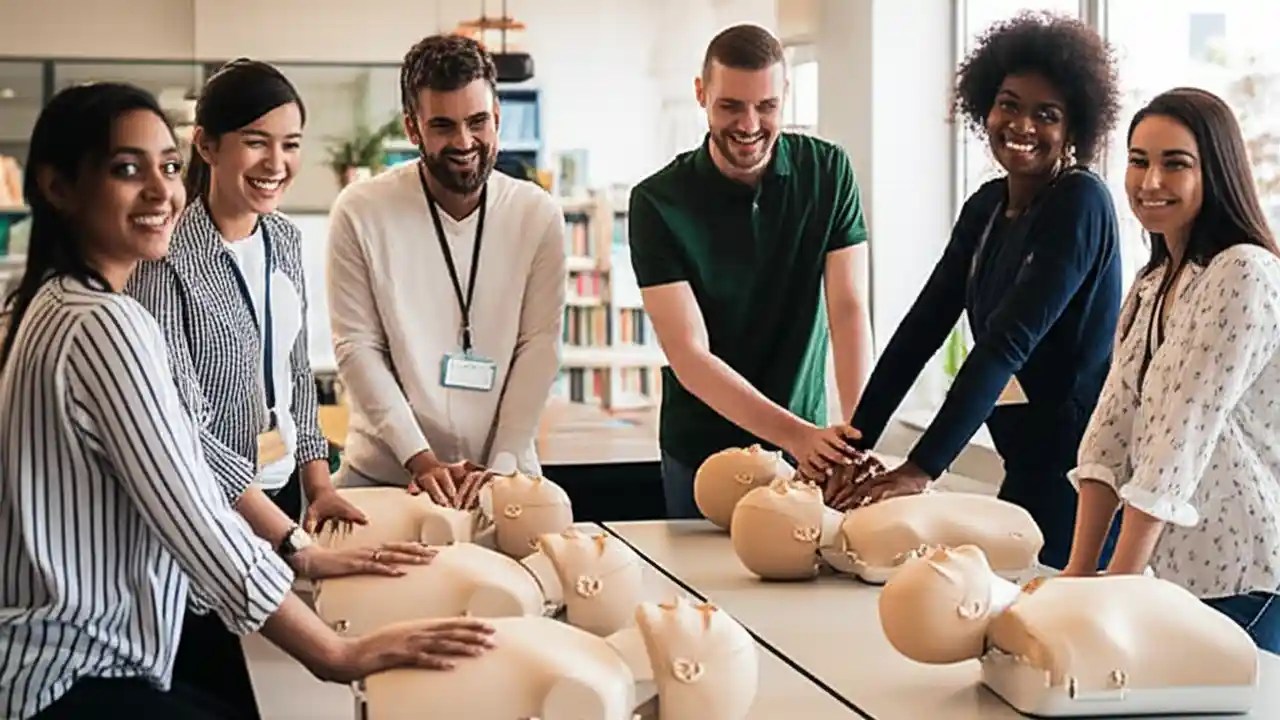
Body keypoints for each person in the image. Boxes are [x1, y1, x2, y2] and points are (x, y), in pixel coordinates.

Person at [0, 81, 495, 720]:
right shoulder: (106, 321)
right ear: (57, 187)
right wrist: (334, 649)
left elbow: (286, 381)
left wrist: (308, 518)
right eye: (127, 169)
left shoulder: (58, 302)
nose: (160, 190)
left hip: (91, 650)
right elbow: (195, 512)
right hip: (71, 668)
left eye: (167, 167)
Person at [126, 59, 427, 719]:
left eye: (290, 144)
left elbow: (294, 377)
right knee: (226, 687)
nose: (276, 162)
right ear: (207, 144)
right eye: (256, 141)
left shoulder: (287, 241)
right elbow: (185, 435)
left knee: (289, 693)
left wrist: (318, 484)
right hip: (208, 515)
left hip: (285, 496)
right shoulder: (164, 257)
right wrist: (288, 539)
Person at [830, 11, 1124, 571]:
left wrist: (920, 469)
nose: (1022, 125)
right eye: (1009, 103)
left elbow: (1005, 343)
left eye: (1047, 114)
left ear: (1074, 130)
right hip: (1024, 460)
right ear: (984, 105)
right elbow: (922, 328)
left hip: (1080, 475)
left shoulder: (1080, 202)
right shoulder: (987, 207)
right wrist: (855, 444)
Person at [1062, 87, 1280, 652]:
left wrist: (1118, 590)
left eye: (1174, 163)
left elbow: (1177, 438)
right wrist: (1076, 579)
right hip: (1179, 581)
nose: (1149, 181)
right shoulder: (1150, 284)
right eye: (1138, 161)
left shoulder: (1244, 273)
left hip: (1248, 578)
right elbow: (1111, 429)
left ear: (1218, 172)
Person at [628, 23, 875, 519]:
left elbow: (848, 310)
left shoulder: (829, 173)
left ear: (785, 94)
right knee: (702, 594)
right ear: (701, 94)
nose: (749, 124)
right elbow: (689, 354)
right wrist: (797, 436)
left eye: (767, 107)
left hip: (808, 450)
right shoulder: (656, 202)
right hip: (703, 451)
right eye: (731, 106)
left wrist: (858, 434)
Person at [327, 34, 566, 505]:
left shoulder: (536, 214)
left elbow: (538, 346)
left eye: (478, 122)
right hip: (386, 474)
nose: (464, 142)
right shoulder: (360, 211)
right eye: (443, 126)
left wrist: (501, 466)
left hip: (504, 470)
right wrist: (420, 459)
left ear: (497, 117)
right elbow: (357, 348)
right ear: (413, 129)